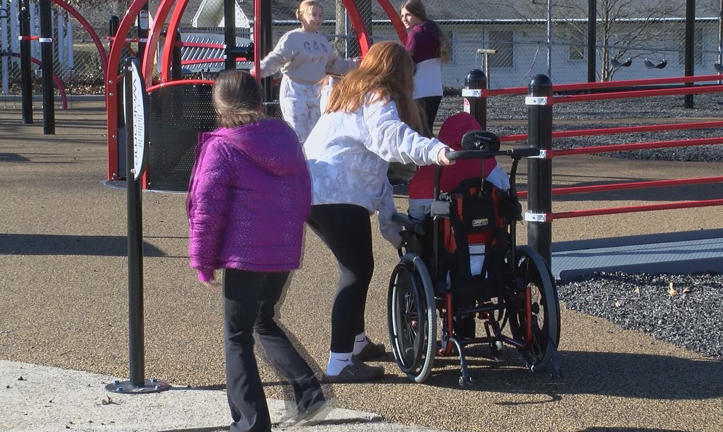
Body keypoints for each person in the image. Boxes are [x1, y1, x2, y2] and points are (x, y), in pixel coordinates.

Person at [302, 41, 453, 383]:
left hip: (316, 191)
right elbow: (390, 139)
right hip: (338, 192)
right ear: (397, 72)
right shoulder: (376, 94)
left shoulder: (349, 95)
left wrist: (391, 226)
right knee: (356, 271)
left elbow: (375, 171)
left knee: (356, 266)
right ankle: (339, 363)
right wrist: (435, 151)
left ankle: (356, 343)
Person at [187, 70, 325, 432]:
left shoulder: (222, 146)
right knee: (263, 321)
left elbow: (206, 208)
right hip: (280, 252)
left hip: (244, 255)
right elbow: (303, 193)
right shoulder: (286, 137)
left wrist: (203, 261)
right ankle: (309, 392)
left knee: (237, 337)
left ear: (219, 105)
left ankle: (251, 423)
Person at [259, 0, 357, 142]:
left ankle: (312, 163)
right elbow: (277, 59)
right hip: (295, 90)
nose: (318, 18)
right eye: (314, 15)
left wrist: (353, 65)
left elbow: (333, 64)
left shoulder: (322, 40)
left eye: (320, 15)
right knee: (297, 133)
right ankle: (297, 162)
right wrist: (259, 71)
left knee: (315, 133)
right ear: (301, 16)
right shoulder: (292, 38)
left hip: (316, 90)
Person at [408, 112, 510, 222]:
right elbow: (507, 194)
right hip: (489, 235)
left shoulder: (426, 172)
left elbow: (416, 215)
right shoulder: (488, 164)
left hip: (442, 236)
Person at [400, 0, 450, 134]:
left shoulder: (416, 34)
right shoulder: (432, 28)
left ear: (418, 13)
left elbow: (407, 64)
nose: (404, 19)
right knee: (427, 130)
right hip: (435, 90)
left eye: (408, 15)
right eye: (402, 15)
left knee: (418, 132)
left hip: (420, 91)